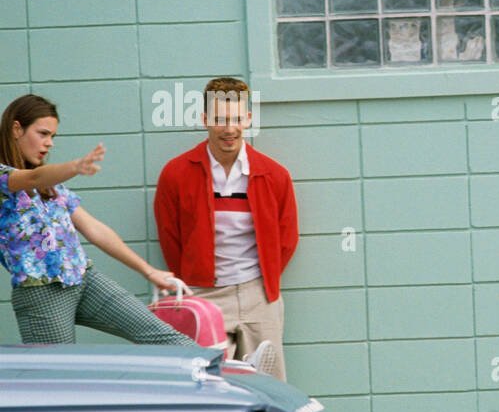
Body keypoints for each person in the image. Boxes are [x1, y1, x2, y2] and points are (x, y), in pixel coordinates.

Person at [0, 94, 190, 345]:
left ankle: (228, 374)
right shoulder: (7, 178)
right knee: (60, 378)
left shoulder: (52, 188)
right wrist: (76, 166)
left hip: (84, 280)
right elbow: (33, 179)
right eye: (43, 134)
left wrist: (149, 271)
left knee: (169, 339)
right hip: (41, 293)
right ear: (16, 129)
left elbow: (94, 229)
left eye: (53, 137)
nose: (49, 144)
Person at [154, 77, 299, 381]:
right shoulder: (176, 173)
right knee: (206, 386)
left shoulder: (274, 175)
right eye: (219, 119)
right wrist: (194, 281)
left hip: (259, 294)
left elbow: (287, 238)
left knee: (269, 386)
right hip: (203, 295)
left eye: (235, 119)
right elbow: (169, 237)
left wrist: (263, 281)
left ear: (248, 119)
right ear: (205, 119)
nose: (228, 128)